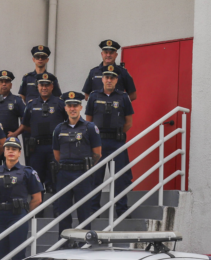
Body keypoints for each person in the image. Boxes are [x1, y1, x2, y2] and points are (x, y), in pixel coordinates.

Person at [0, 137, 43, 260]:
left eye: (14, 149)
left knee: (18, 255)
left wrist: (24, 212)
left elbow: (37, 198)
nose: (11, 151)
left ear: (19, 152)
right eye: (8, 149)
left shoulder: (28, 172)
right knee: (0, 256)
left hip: (18, 216)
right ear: (4, 152)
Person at [52, 92, 102, 237]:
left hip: (82, 174)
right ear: (65, 108)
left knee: (84, 211)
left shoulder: (90, 127)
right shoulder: (59, 129)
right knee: (63, 211)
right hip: (64, 175)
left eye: (75, 105)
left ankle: (85, 242)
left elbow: (97, 153)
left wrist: (85, 167)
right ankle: (64, 243)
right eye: (69, 106)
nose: (72, 108)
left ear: (80, 107)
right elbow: (56, 154)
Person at [86, 68, 135, 216]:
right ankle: (94, 210)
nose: (109, 80)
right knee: (96, 177)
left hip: (116, 142)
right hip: (98, 142)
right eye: (106, 77)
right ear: (102, 79)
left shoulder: (123, 97)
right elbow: (88, 121)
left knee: (120, 177)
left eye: (112, 78)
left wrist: (117, 134)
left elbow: (129, 122)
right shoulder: (94, 96)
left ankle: (121, 209)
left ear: (116, 80)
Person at [22, 73, 67, 193]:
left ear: (52, 86)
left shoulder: (60, 104)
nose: (44, 87)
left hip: (55, 148)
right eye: (42, 85)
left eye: (47, 85)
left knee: (56, 179)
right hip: (36, 149)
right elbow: (25, 125)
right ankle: (38, 211)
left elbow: (68, 124)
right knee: (37, 182)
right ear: (37, 86)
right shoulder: (31, 105)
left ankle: (58, 211)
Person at [0, 71, 26, 139]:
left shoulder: (17, 100)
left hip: (10, 139)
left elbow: (25, 120)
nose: (4, 84)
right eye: (1, 82)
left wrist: (15, 133)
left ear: (11, 85)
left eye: (6, 82)